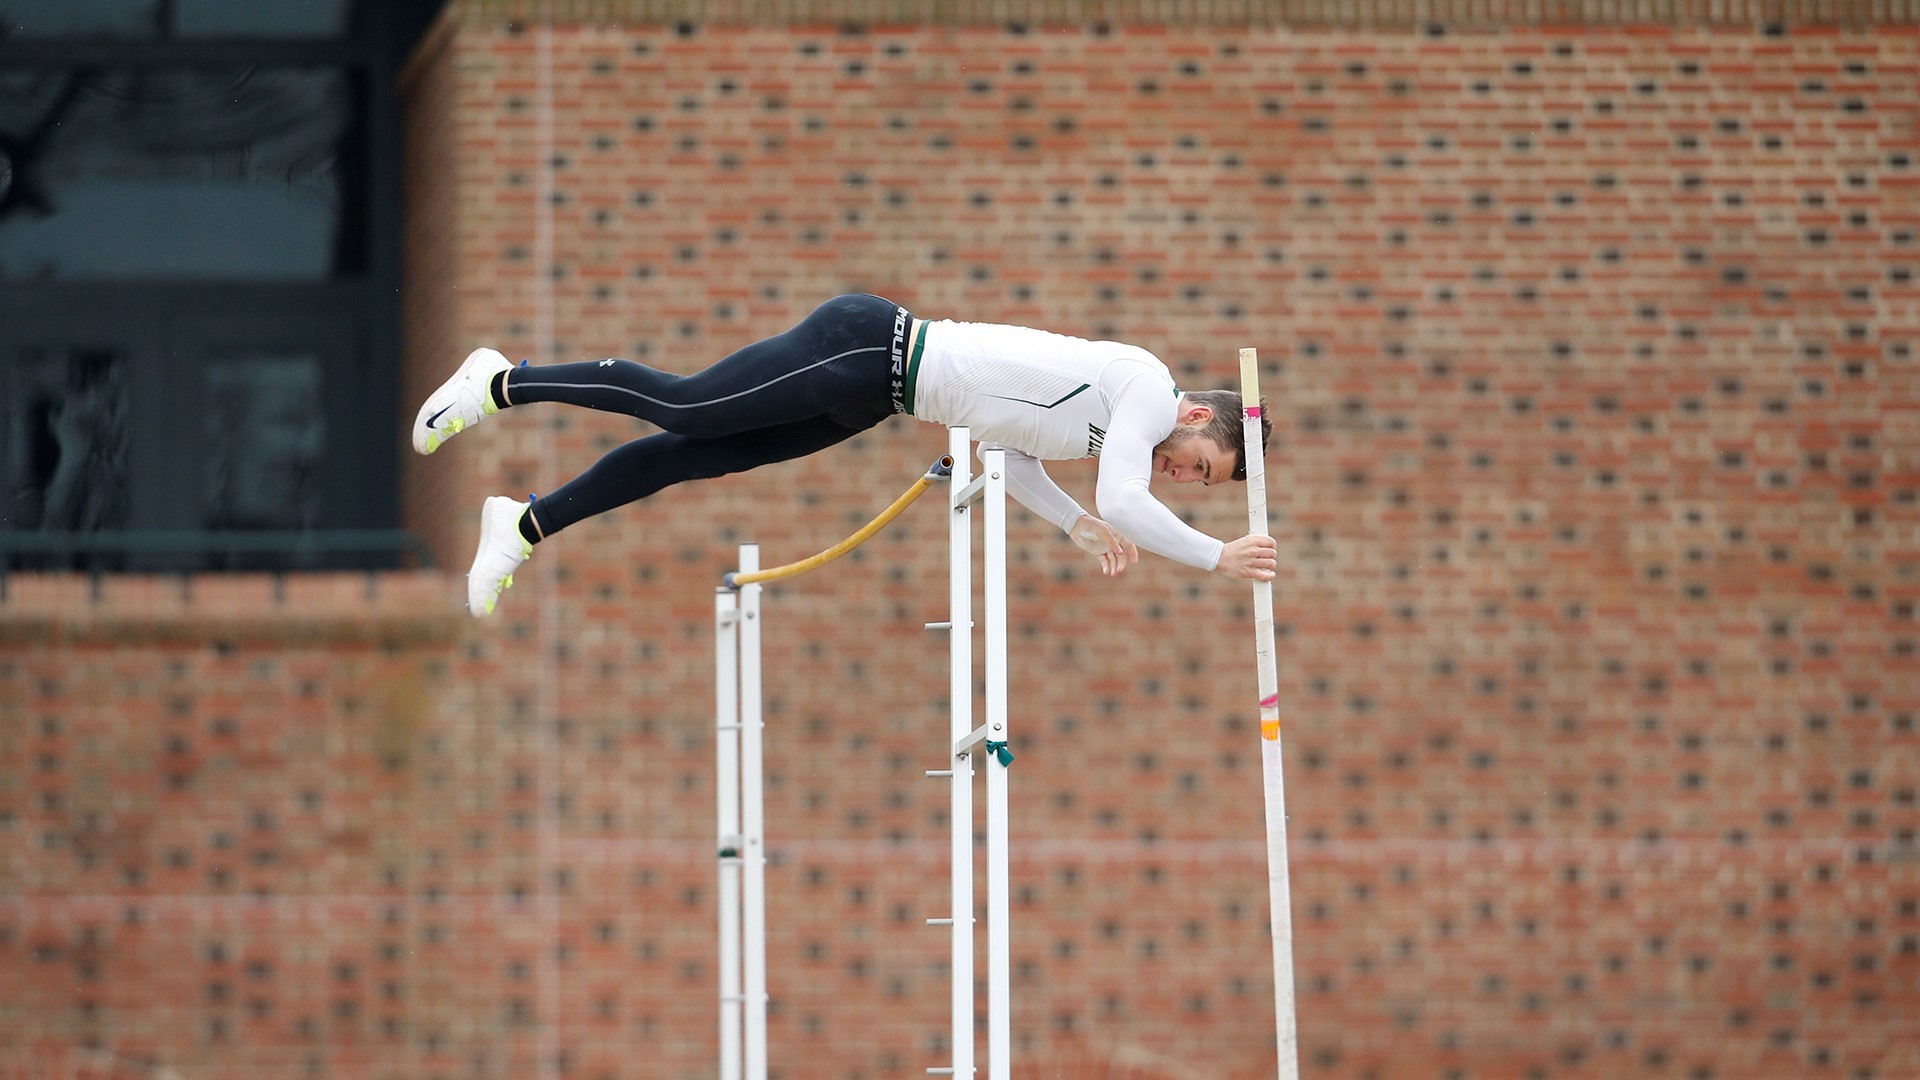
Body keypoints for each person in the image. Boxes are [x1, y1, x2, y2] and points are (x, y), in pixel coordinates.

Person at [413, 293, 1278, 617]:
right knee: (687, 405)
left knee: (690, 455)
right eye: (1201, 465)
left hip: (878, 396)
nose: (1183, 478)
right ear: (1199, 416)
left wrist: (1072, 523)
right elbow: (1128, 499)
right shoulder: (1149, 392)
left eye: (1198, 486)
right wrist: (1217, 556)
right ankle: (502, 381)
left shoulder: (1112, 431)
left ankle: (523, 525)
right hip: (869, 346)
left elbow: (1008, 457)